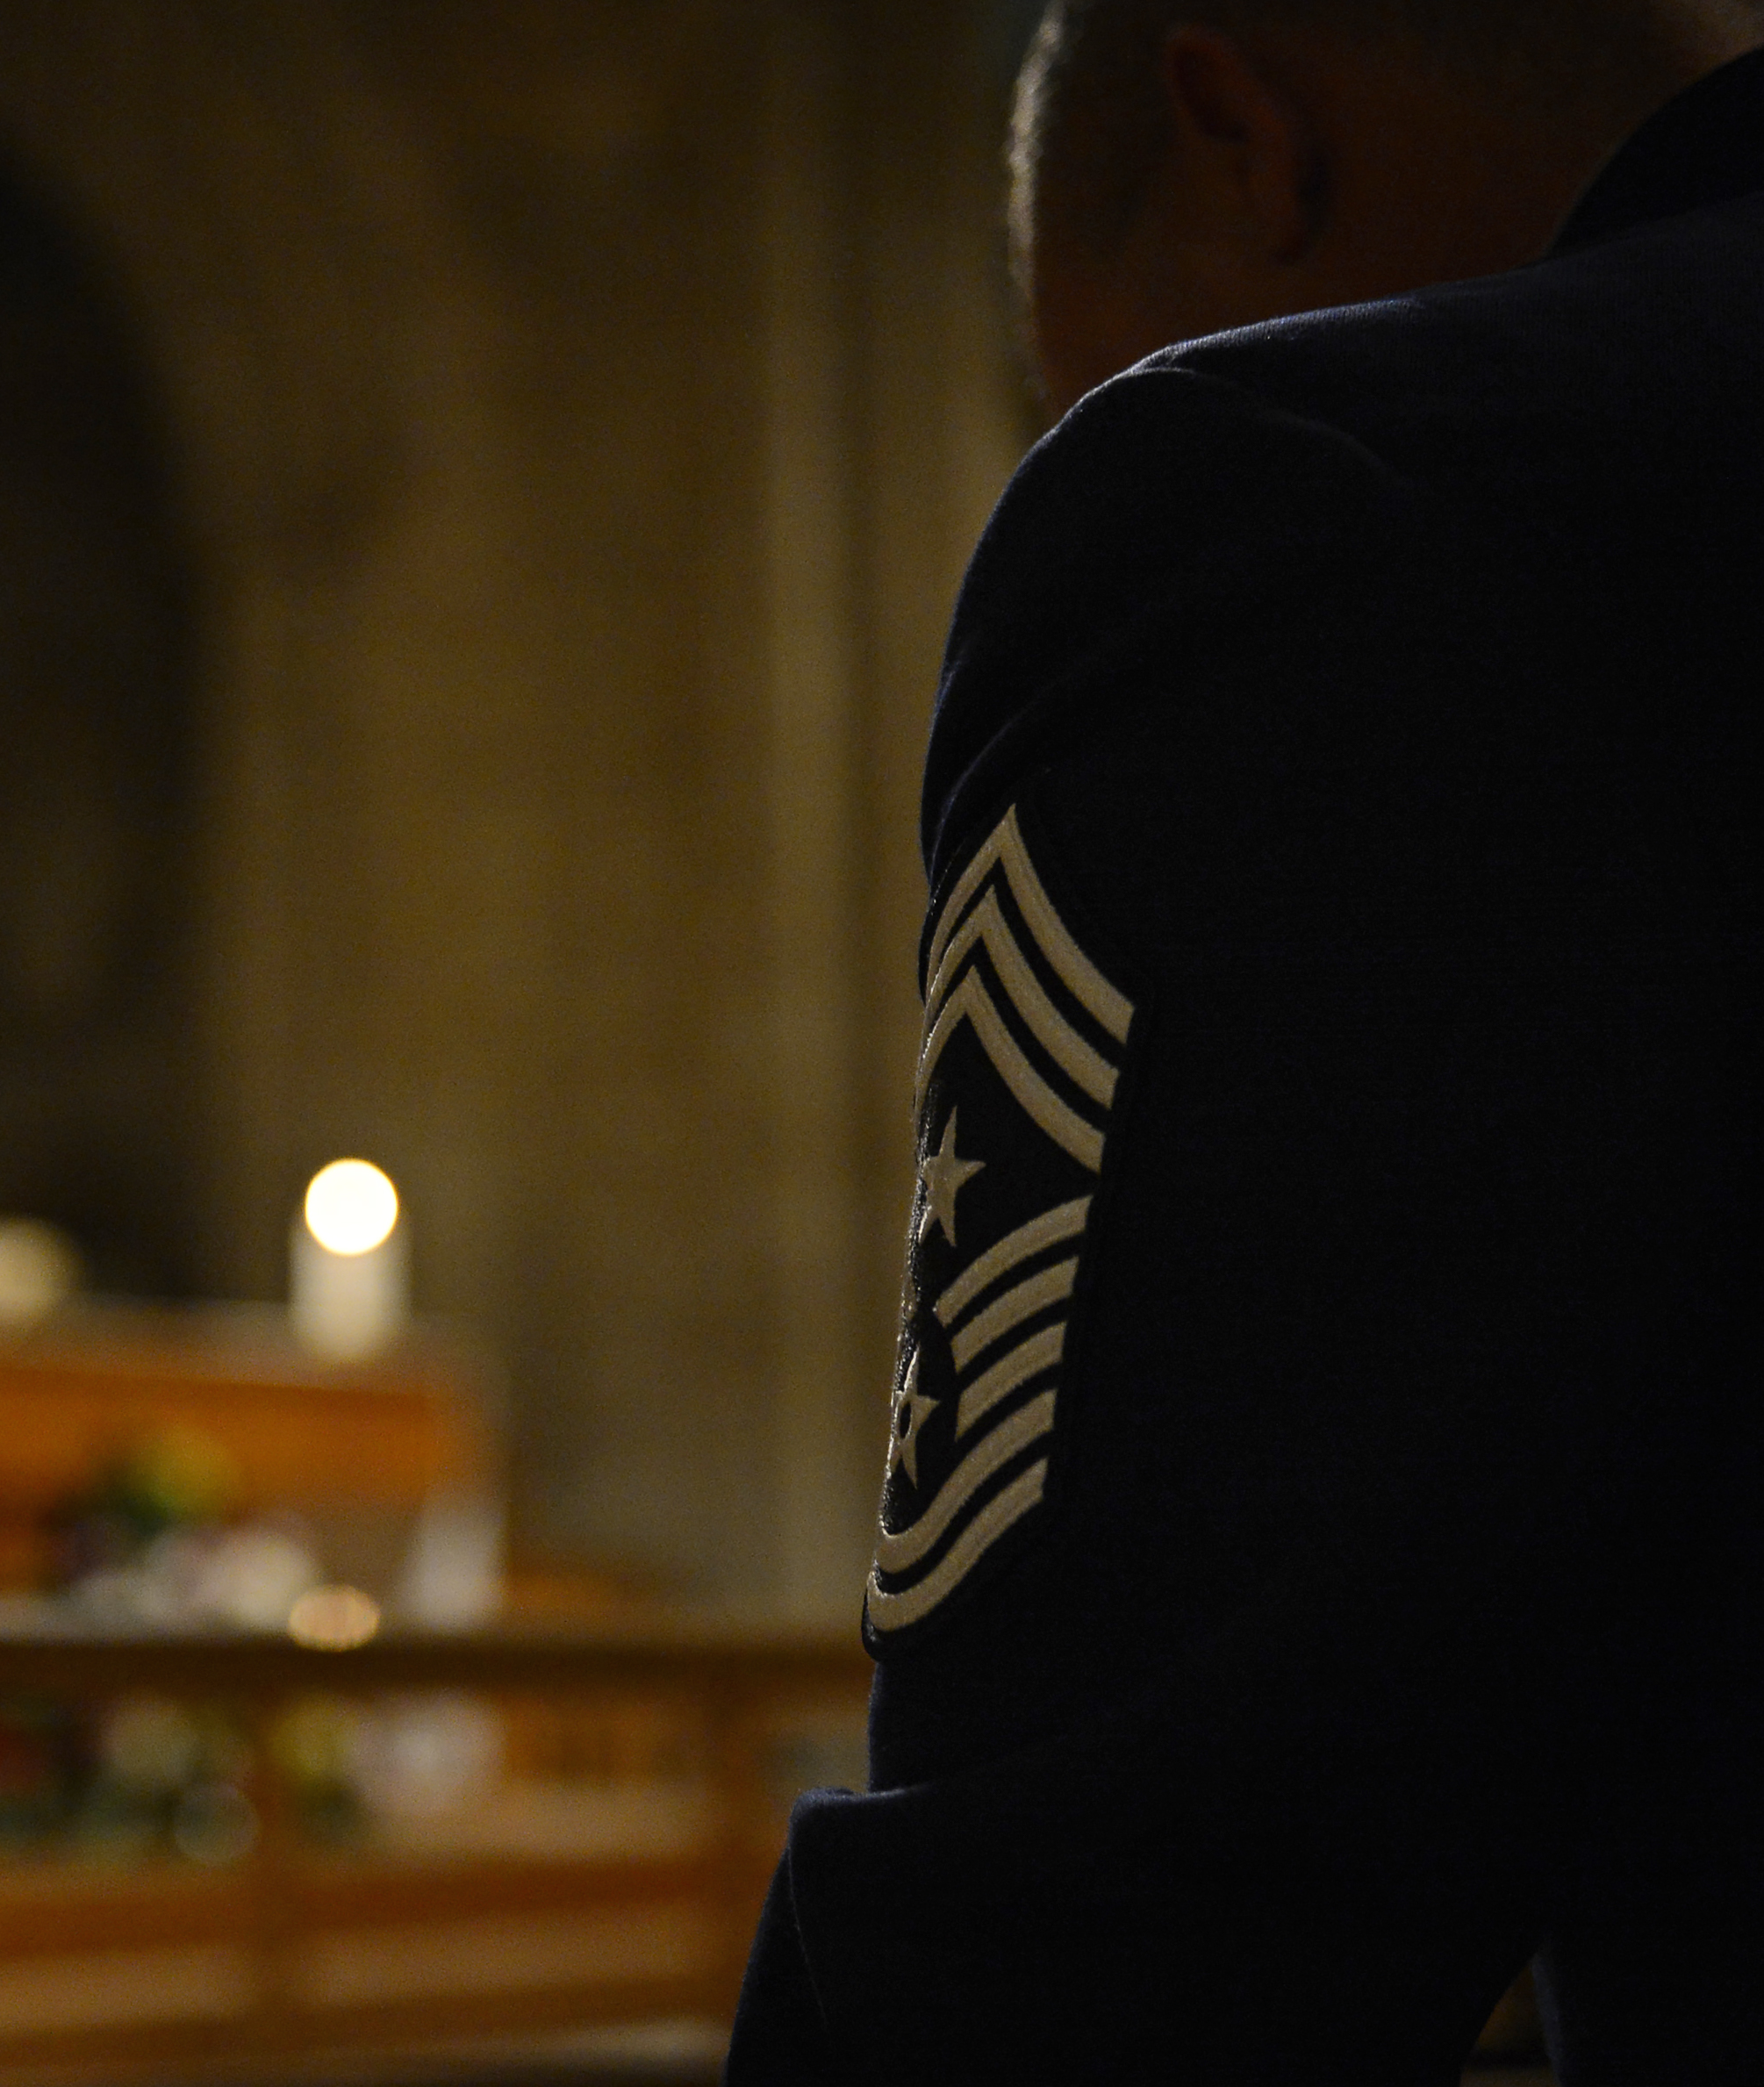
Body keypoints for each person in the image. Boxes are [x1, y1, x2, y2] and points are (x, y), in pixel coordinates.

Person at [722, 3, 1764, 2079]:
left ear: (1239, 141)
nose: (1108, 423)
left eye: (1087, 375)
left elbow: (1080, 1950)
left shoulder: (1325, 494)